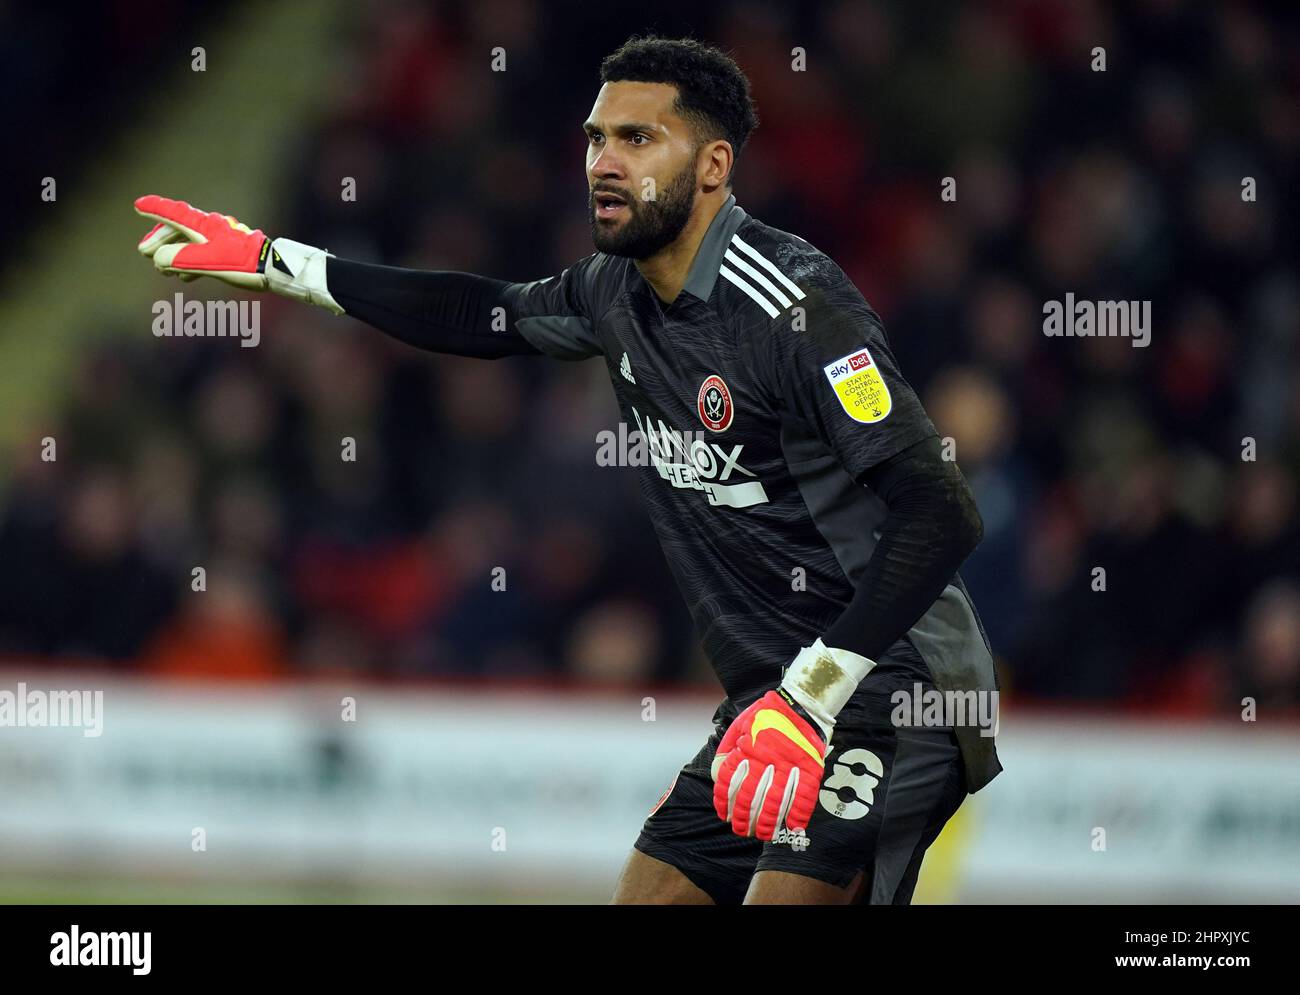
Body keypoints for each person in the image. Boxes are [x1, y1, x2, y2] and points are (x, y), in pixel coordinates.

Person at [133, 34, 1001, 905]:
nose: (603, 162)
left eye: (638, 139)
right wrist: (276, 262)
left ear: (713, 165)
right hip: (771, 702)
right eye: (596, 138)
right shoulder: (612, 294)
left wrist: (813, 693)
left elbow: (940, 510)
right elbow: (484, 313)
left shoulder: (793, 307)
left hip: (893, 679)